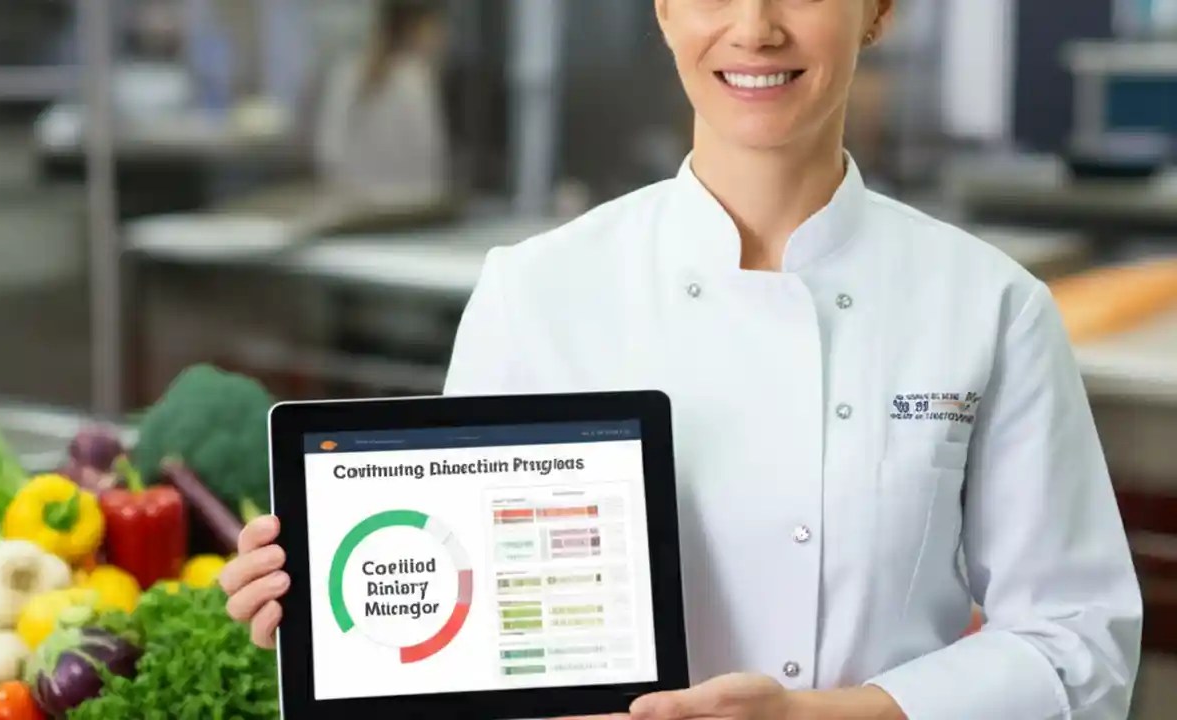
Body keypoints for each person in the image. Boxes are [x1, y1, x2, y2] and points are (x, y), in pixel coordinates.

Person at [223, 1, 1143, 717]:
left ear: (877, 11)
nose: (754, 28)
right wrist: (348, 617)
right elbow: (478, 641)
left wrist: (830, 718)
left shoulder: (988, 302)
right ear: (664, 11)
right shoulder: (536, 291)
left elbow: (1079, 643)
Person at [313, 0, 451, 204]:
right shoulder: (413, 78)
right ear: (415, 28)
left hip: (351, 208)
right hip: (406, 210)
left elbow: (328, 151)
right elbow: (429, 156)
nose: (443, 40)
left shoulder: (346, 72)